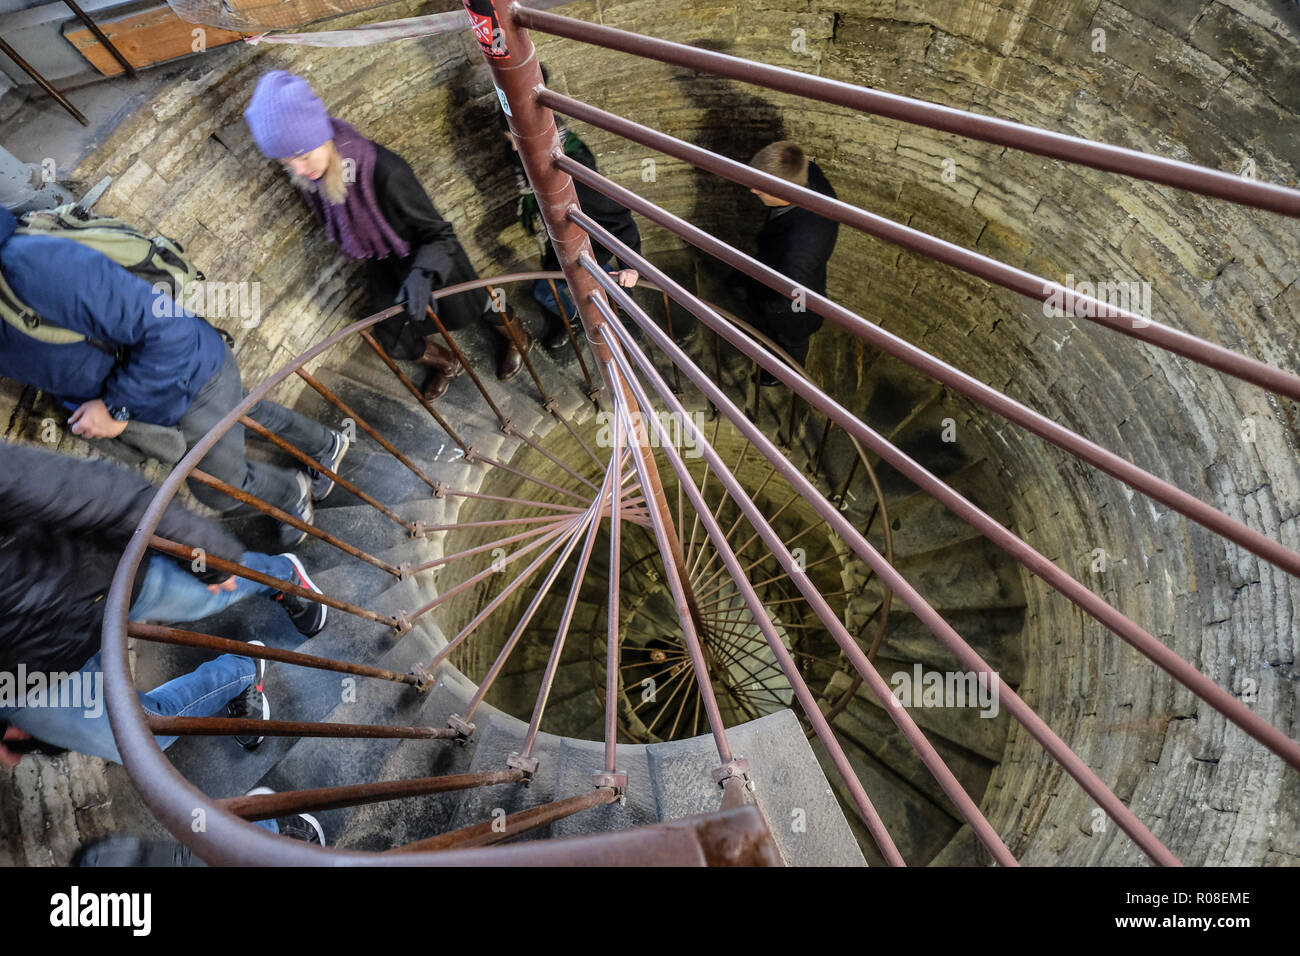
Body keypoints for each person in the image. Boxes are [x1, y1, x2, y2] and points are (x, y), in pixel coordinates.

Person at [0, 205, 350, 548]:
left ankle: (293, 492)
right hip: (169, 388)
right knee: (243, 410)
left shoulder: (30, 266)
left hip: (186, 377)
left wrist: (114, 409)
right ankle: (327, 443)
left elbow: (168, 331)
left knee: (216, 487)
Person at [0, 441, 328, 767]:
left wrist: (210, 557)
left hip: (93, 576)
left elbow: (102, 490)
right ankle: (239, 674)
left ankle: (282, 577)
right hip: (26, 680)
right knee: (144, 741)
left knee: (213, 592)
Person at [243, 70, 533, 402]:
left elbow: (440, 233)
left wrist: (423, 272)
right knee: (391, 333)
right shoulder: (317, 174)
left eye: (303, 156)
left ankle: (517, 334)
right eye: (286, 162)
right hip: (383, 258)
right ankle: (447, 363)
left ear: (321, 136)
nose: (298, 170)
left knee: (475, 301)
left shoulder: (384, 171)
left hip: (428, 254)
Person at [499, 66, 642, 351]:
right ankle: (580, 317)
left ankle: (619, 323)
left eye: (515, 141)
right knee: (550, 289)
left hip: (586, 245)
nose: (513, 149)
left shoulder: (573, 171)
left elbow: (618, 217)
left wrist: (631, 265)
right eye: (509, 140)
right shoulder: (530, 154)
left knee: (579, 286)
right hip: (558, 243)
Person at [739, 140, 839, 384]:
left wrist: (767, 309)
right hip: (781, 273)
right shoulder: (805, 172)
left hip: (794, 312)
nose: (753, 191)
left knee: (789, 341)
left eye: (760, 189)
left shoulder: (801, 249)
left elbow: (791, 300)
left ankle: (784, 373)